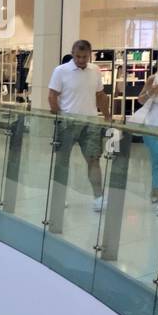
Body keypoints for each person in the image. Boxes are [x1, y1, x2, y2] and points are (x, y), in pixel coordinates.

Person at [48, 39, 109, 214]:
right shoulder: (61, 71)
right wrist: (59, 115)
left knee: (94, 159)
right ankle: (59, 196)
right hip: (67, 121)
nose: (81, 60)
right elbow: (52, 95)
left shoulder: (95, 70)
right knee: (62, 160)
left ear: (90, 55)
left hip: (91, 123)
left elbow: (100, 95)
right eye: (78, 56)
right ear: (73, 54)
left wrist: (107, 116)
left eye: (85, 56)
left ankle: (98, 197)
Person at [134, 66, 158, 216]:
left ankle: (155, 191)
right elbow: (140, 100)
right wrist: (151, 92)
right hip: (154, 126)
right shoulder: (154, 79)